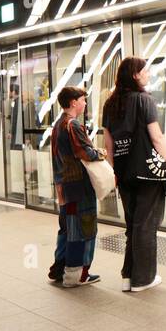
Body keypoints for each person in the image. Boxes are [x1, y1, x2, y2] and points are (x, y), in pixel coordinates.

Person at [103, 56, 166, 293]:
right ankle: (144, 279)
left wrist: (114, 170)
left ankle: (128, 276)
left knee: (133, 223)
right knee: (146, 224)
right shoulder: (145, 100)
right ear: (135, 74)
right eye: (145, 71)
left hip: (124, 171)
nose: (149, 74)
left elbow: (108, 143)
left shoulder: (110, 104)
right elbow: (157, 137)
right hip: (147, 171)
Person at [47, 86, 106, 287]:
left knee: (66, 228)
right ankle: (77, 274)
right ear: (73, 102)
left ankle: (60, 269)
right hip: (78, 187)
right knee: (83, 227)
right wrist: (102, 153)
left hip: (64, 186)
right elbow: (85, 153)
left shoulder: (58, 124)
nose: (85, 103)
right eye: (82, 99)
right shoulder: (72, 125)